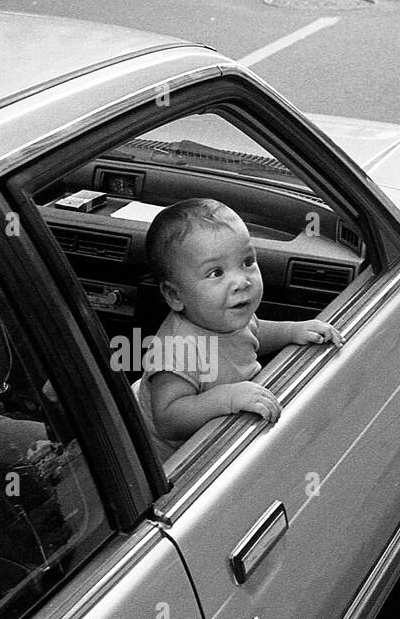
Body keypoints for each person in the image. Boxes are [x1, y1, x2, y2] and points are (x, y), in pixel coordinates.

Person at [134, 198, 344, 461]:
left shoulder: (223, 316)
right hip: (177, 463)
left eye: (247, 261)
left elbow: (254, 334)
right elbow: (169, 419)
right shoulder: (177, 349)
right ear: (175, 295)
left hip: (224, 432)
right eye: (216, 273)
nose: (241, 281)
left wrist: (293, 330)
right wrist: (226, 399)